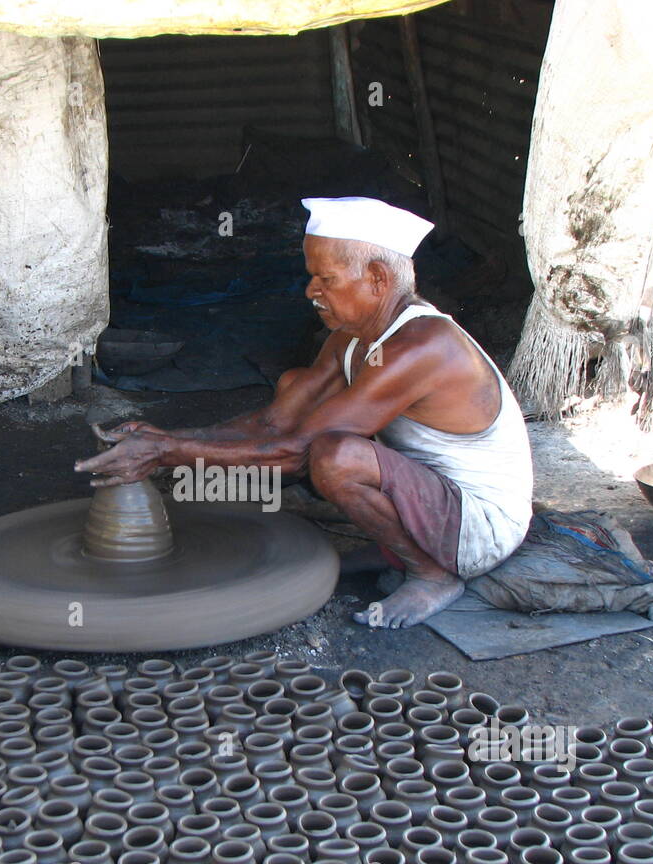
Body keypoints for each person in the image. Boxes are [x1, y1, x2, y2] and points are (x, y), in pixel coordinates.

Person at [77, 196, 533, 629]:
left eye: (326, 279)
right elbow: (276, 423)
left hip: (479, 526)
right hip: (430, 492)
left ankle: (433, 573)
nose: (311, 291)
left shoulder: (421, 346)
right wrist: (166, 435)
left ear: (377, 278)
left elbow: (293, 452)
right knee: (298, 387)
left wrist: (166, 453)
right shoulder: (352, 336)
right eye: (310, 276)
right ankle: (398, 547)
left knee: (335, 457)